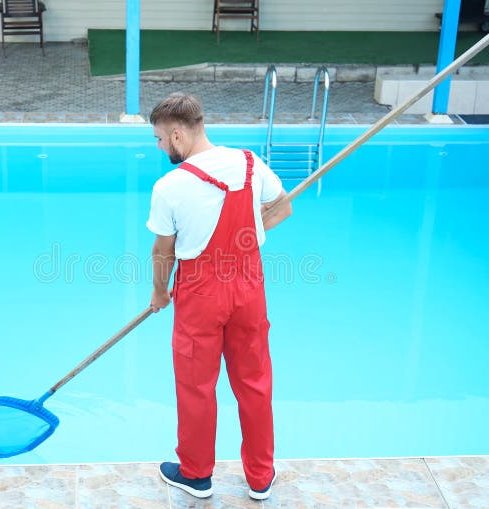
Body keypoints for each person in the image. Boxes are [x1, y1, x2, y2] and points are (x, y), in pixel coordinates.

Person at [146, 93, 292, 501]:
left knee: (196, 386)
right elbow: (282, 208)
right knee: (255, 382)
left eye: (159, 140)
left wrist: (159, 294)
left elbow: (163, 252)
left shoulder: (170, 186)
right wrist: (249, 235)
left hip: (200, 293)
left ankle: (196, 475)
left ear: (177, 134)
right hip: (248, 286)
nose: (160, 148)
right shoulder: (249, 163)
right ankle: (261, 477)